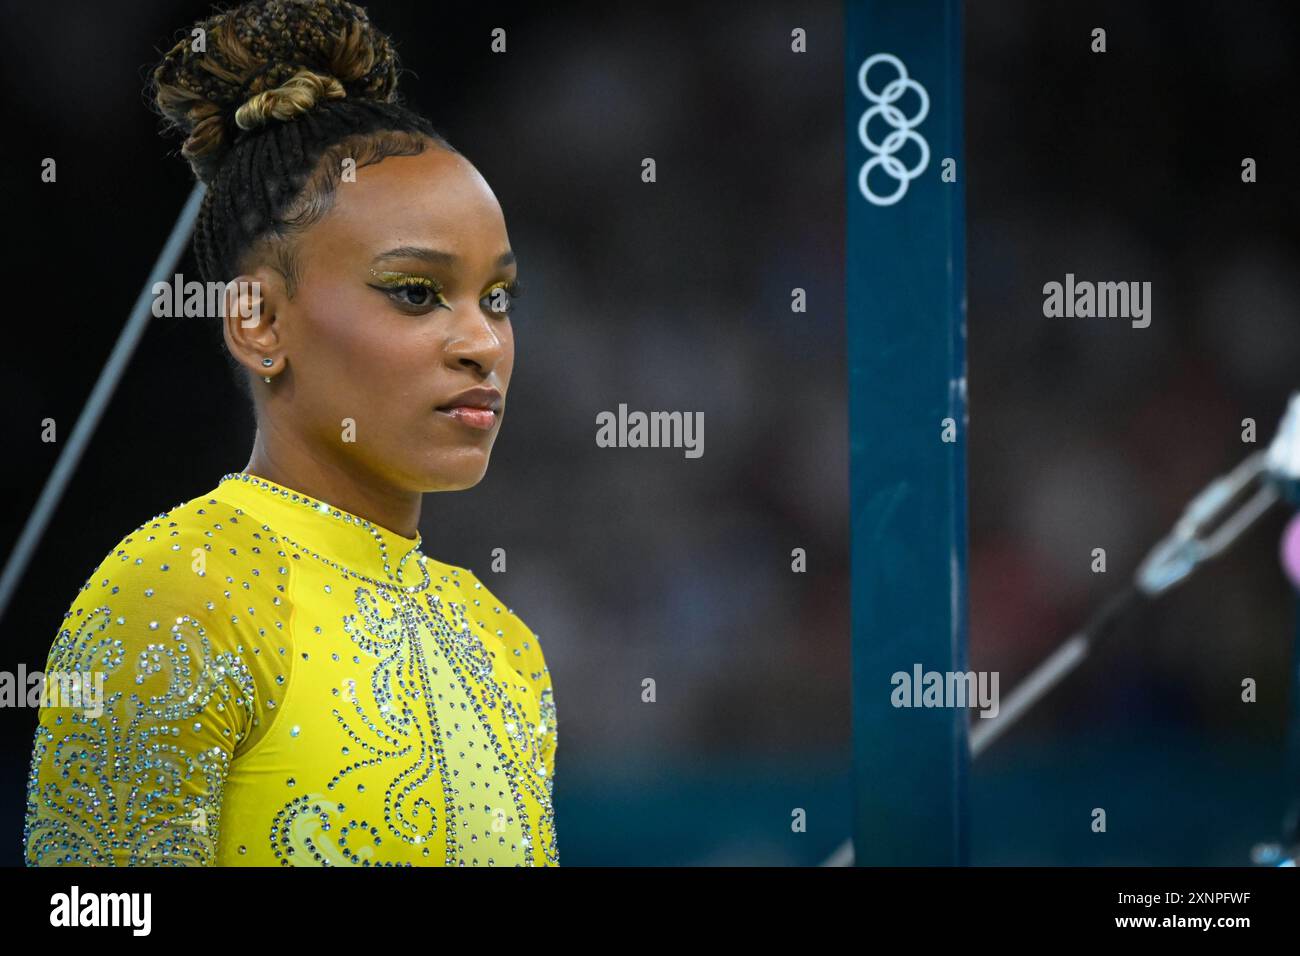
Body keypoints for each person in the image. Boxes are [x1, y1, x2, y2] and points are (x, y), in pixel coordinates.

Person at [22, 0, 557, 867]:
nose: (481, 342)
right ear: (260, 323)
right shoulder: (174, 599)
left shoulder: (502, 646)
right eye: (417, 293)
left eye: (497, 298)